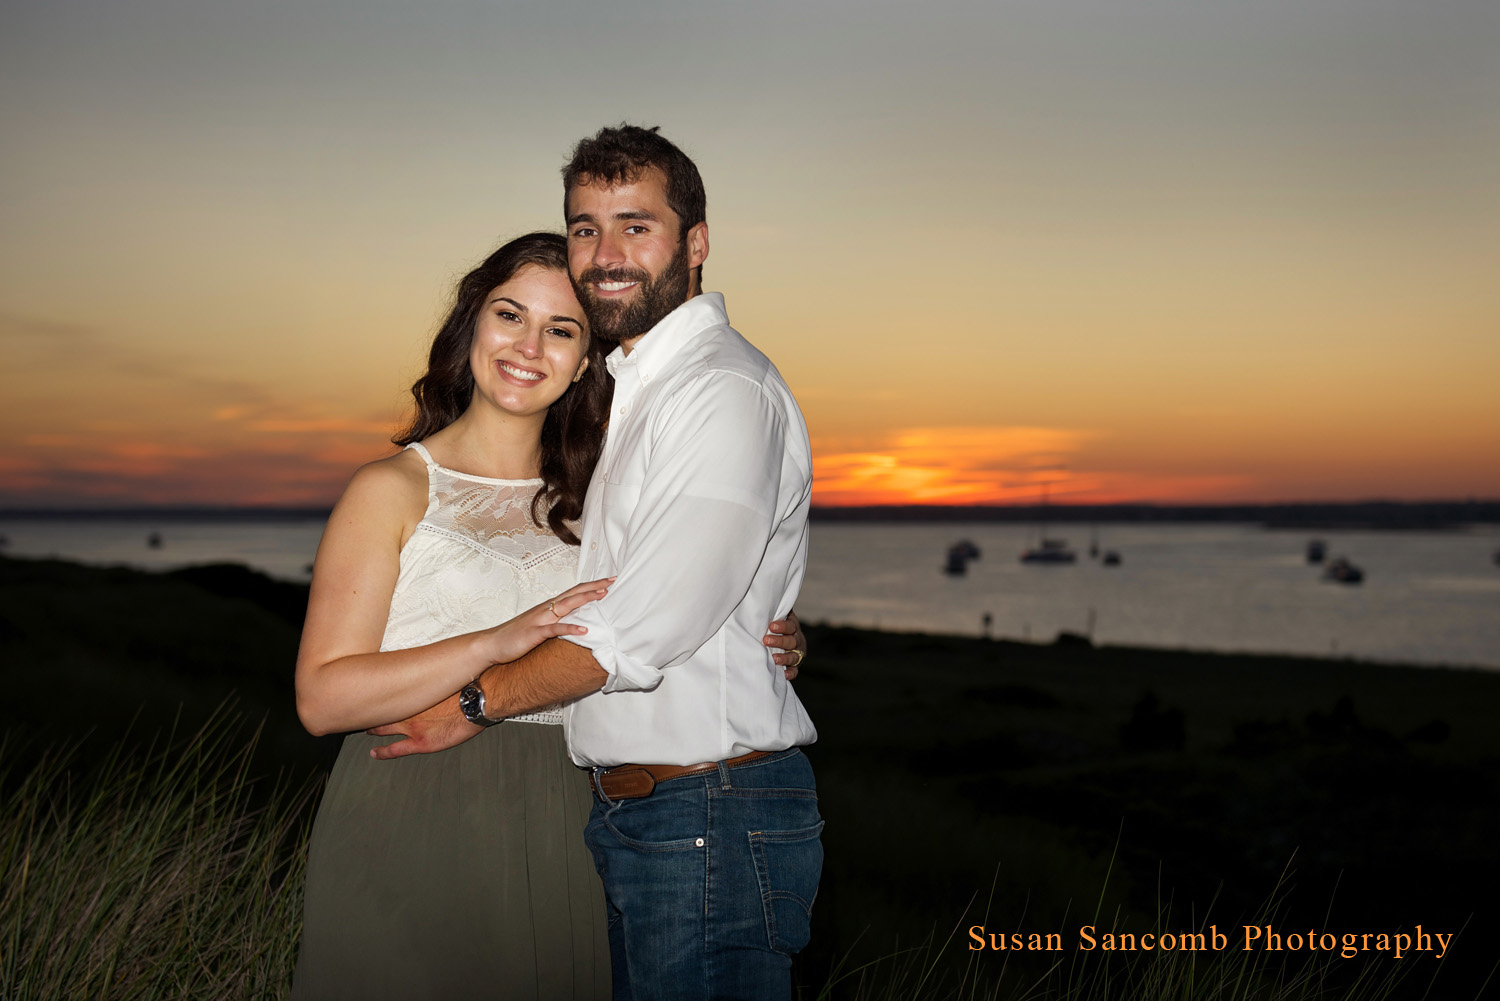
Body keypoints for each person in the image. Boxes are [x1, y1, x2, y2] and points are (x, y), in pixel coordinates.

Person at [290, 232, 805, 1001]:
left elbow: (676, 595)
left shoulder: (603, 491)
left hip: (571, 812)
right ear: (472, 322)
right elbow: (322, 698)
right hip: (416, 803)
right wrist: (494, 644)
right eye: (509, 314)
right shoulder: (392, 488)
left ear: (584, 357)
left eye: (560, 329)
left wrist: (768, 628)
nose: (528, 345)